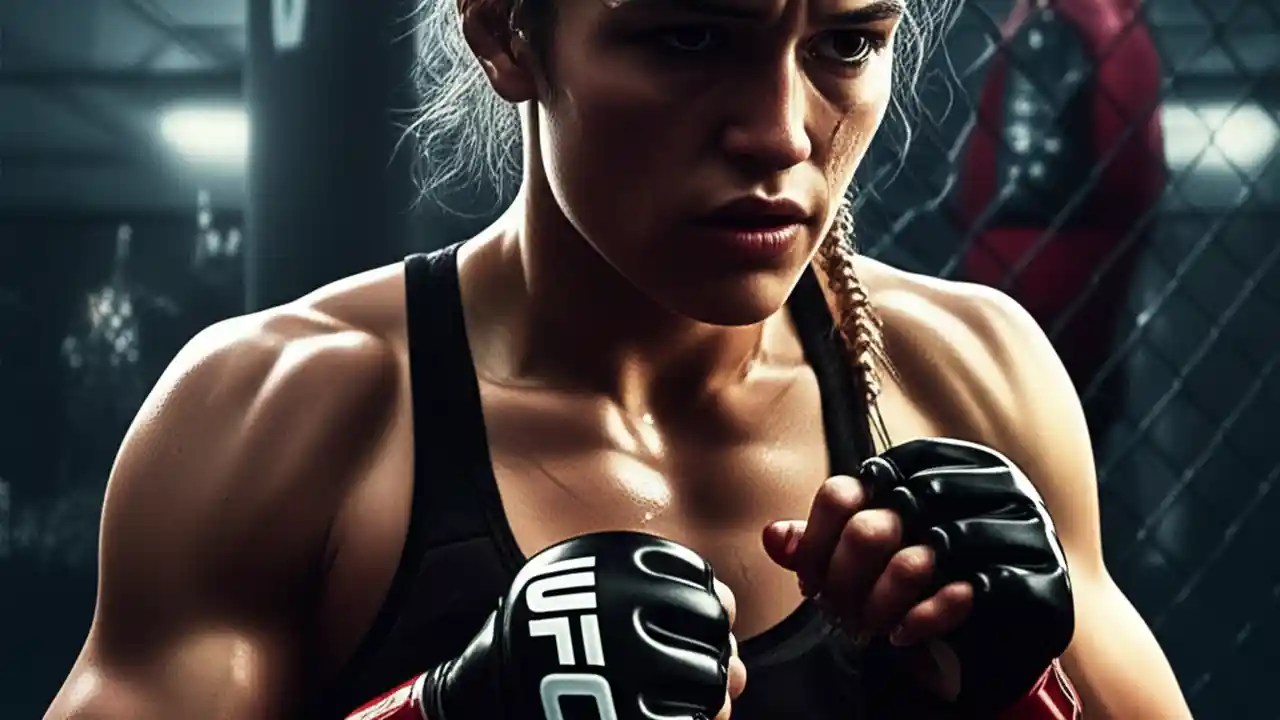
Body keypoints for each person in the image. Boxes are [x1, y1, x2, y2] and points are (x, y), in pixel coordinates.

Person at [44, 0, 1193, 718]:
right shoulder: (280, 411)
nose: (781, 132)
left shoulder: (971, 375)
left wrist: (1014, 699)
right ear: (503, 29)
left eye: (843, 42)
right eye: (688, 36)